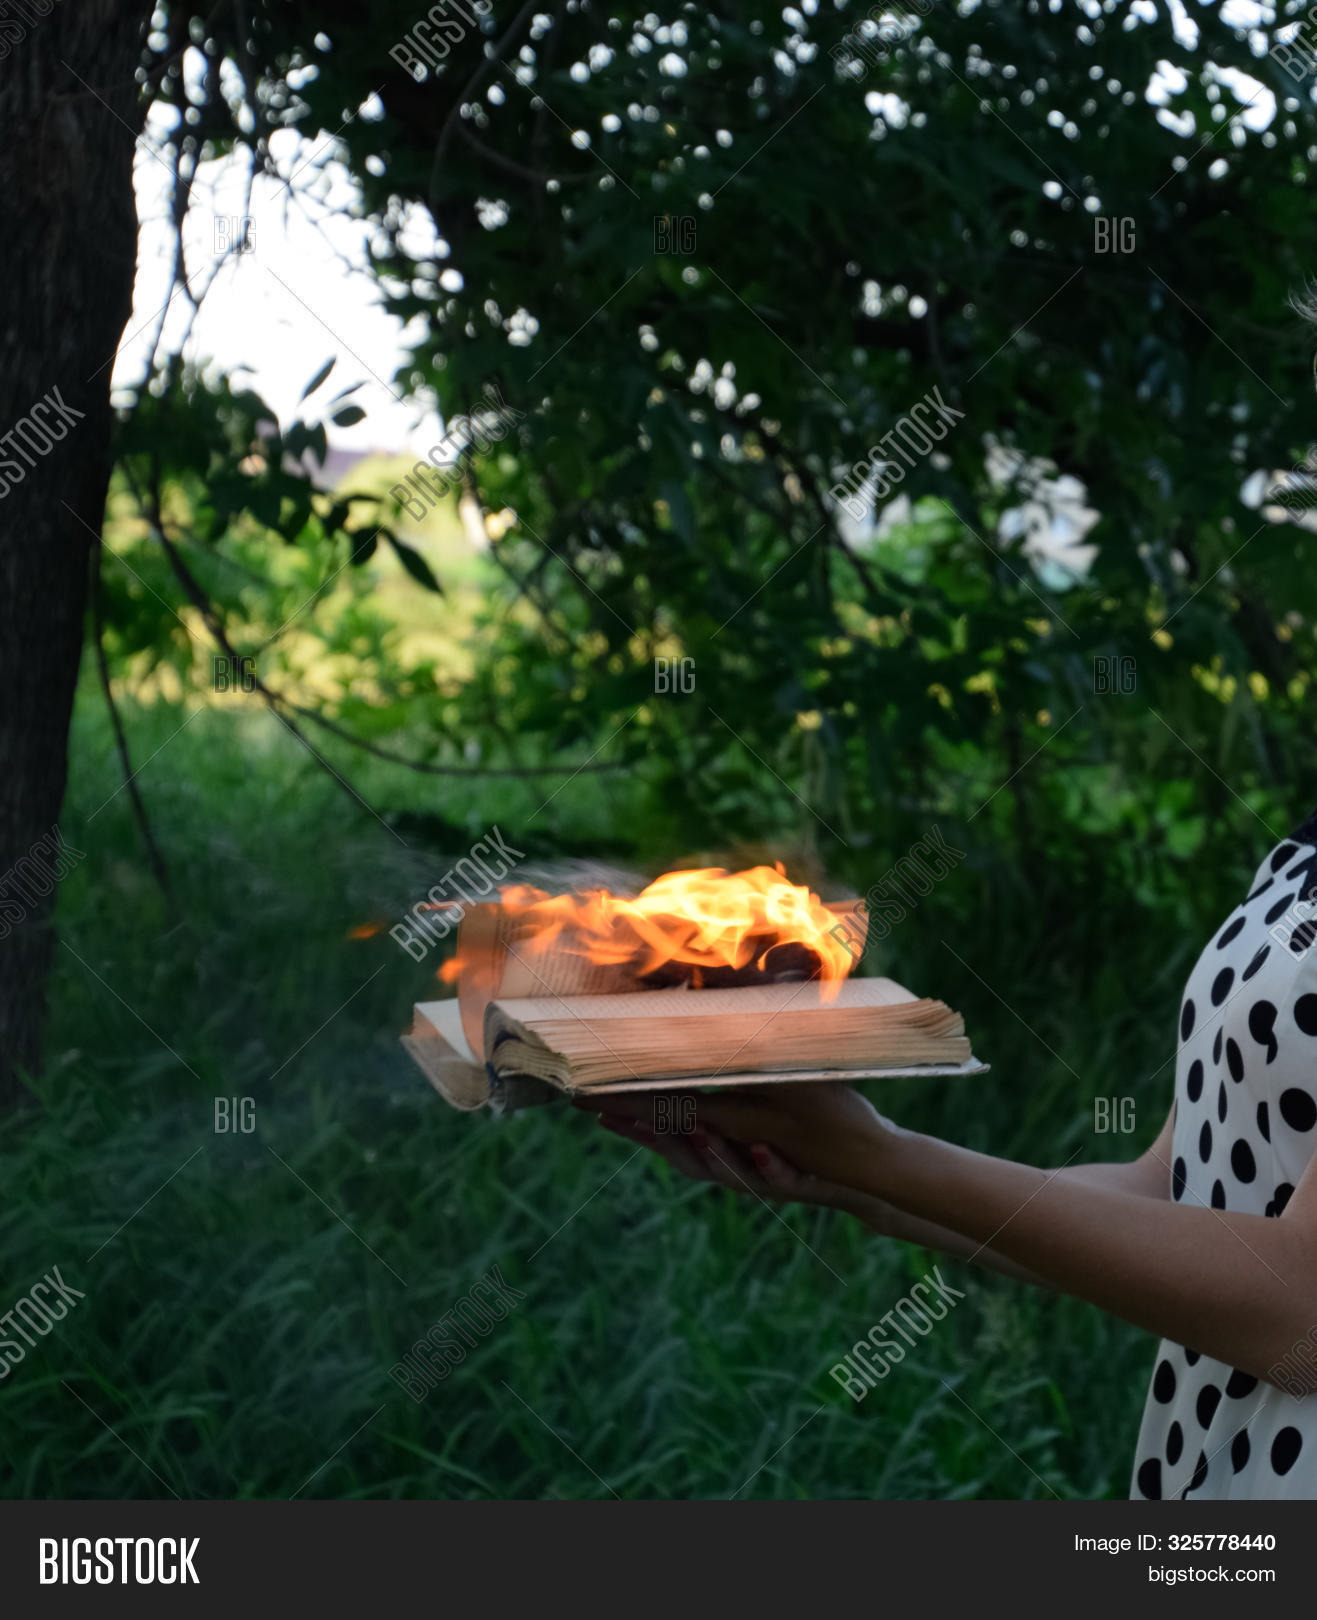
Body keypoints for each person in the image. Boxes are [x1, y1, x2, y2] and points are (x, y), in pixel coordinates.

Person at [576, 814, 1317, 1499]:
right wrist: (855, 1178)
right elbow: (1172, 1194)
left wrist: (876, 1154)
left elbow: (1302, 1319)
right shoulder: (1297, 854)